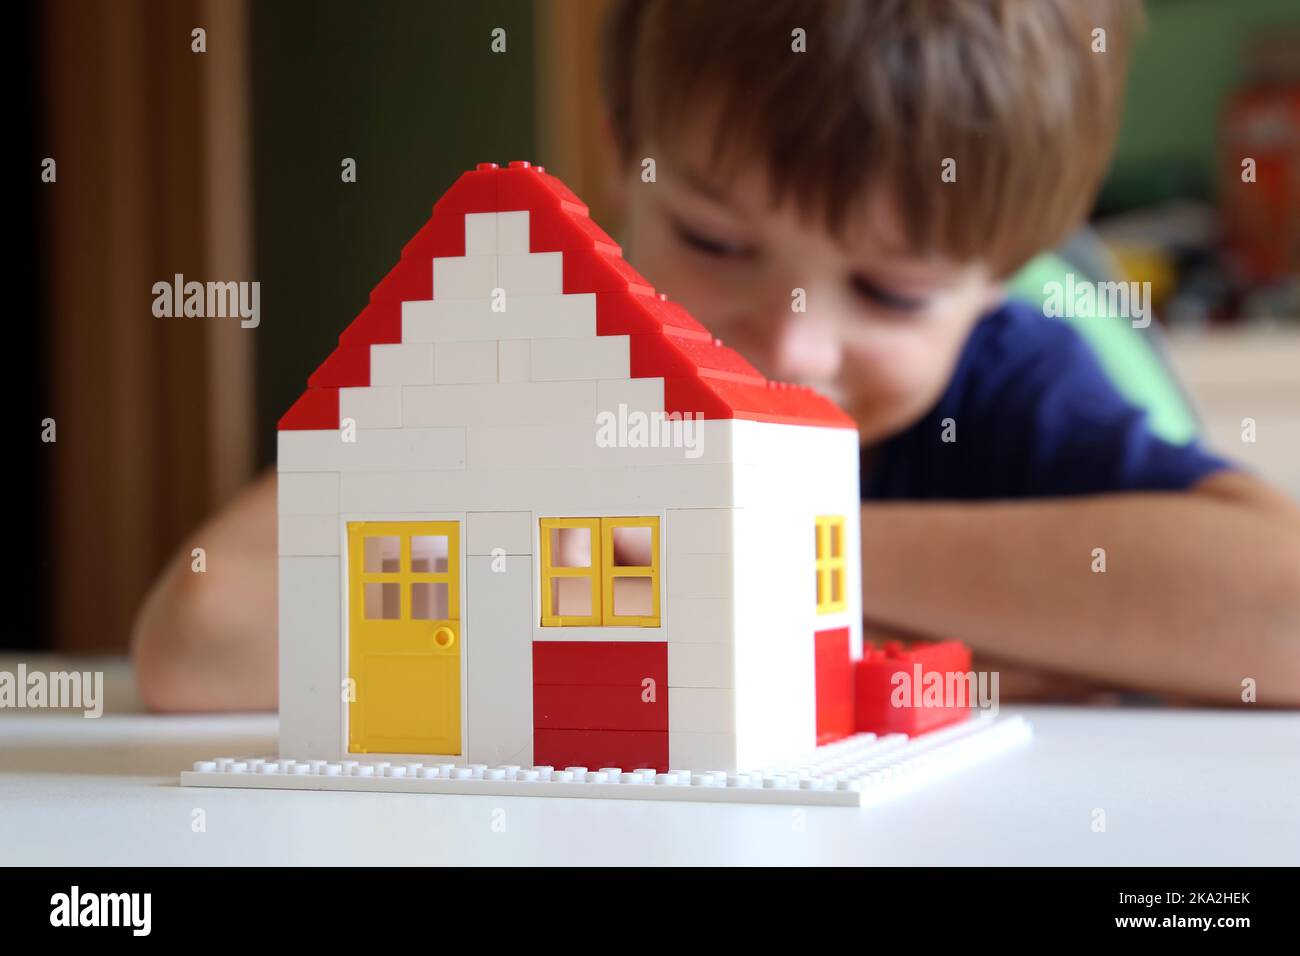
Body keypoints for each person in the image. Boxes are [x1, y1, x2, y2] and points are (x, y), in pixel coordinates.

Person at [132, 0, 1300, 712]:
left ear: (1010, 266)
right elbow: (205, 633)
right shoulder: (531, 350)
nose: (791, 338)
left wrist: (752, 545)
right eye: (714, 238)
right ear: (622, 151)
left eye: (889, 291)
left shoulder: (1017, 384)